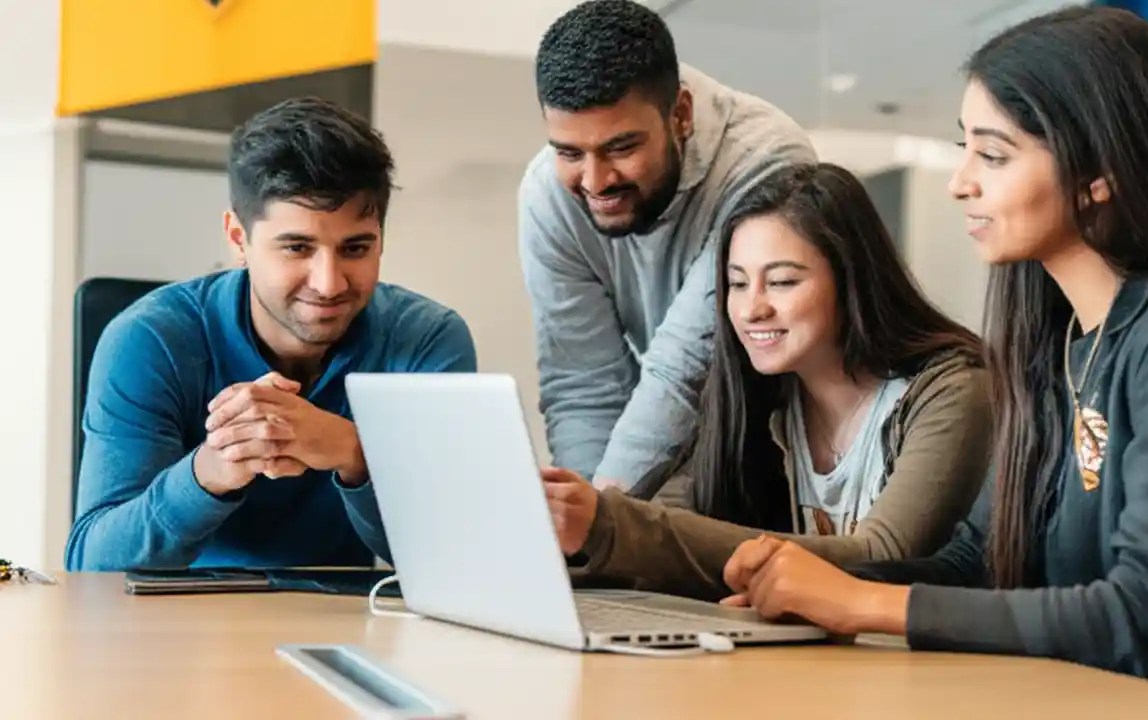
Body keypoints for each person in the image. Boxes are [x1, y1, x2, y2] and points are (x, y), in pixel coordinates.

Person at [718, 6, 1148, 703]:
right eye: (966, 149)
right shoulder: (1056, 337)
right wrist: (811, 585)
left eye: (993, 154)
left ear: (1097, 170)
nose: (962, 181)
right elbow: (977, 560)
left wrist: (860, 605)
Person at [541, 163, 993, 599]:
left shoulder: (952, 390)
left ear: (851, 278)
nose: (751, 309)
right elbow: (677, 519)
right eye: (737, 284)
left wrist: (614, 526)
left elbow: (882, 556)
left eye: (780, 282)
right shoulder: (758, 394)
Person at [65, 97, 477, 571]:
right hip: (182, 631)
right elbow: (91, 565)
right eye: (297, 247)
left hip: (349, 629)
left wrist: (355, 451)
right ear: (238, 239)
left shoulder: (428, 340)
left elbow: (451, 558)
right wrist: (209, 471)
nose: (329, 282)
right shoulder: (148, 339)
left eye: (356, 248)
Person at [519, 0, 816, 498]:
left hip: (773, 447)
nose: (595, 181)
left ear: (680, 114)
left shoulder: (767, 160)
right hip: (663, 445)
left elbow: (687, 366)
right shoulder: (547, 193)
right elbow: (581, 383)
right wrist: (584, 537)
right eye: (570, 152)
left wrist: (604, 523)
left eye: (621, 148)